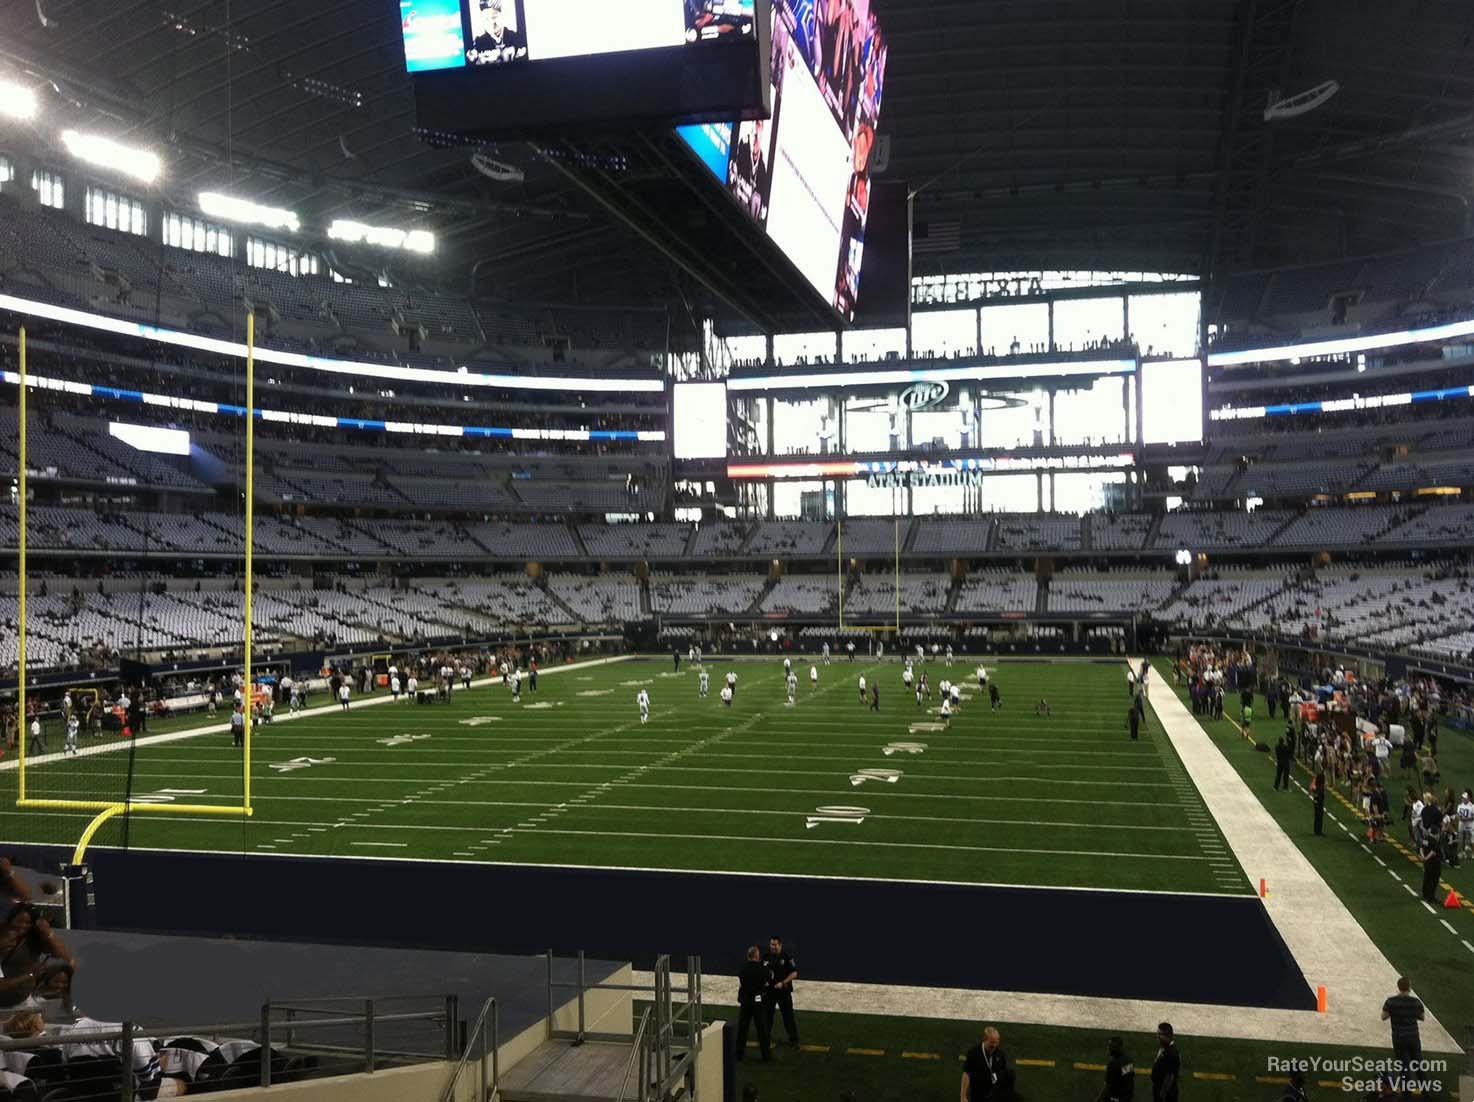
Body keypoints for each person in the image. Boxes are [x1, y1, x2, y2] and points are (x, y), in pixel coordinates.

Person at [1381, 977, 1424, 1078]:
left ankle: (1406, 1092)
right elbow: (1422, 1017)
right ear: (1409, 987)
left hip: (1399, 1037)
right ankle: (1426, 1092)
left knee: (1404, 1067)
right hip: (1413, 1036)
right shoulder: (1416, 1002)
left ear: (1399, 987)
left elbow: (1384, 1017)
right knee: (1419, 1065)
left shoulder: (1391, 1001)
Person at [734, 946, 771, 1062]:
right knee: (762, 1029)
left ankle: (739, 1054)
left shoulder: (742, 968)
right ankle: (766, 1055)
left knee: (742, 1029)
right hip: (758, 1002)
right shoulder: (763, 969)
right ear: (756, 956)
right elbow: (769, 979)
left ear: (748, 956)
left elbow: (741, 981)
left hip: (745, 1002)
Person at [763, 936, 799, 1047]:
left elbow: (794, 973)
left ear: (780, 945)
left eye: (775, 944)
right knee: (767, 1017)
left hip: (784, 992)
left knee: (788, 1016)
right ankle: (765, 1038)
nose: (773, 947)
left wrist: (783, 983)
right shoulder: (765, 957)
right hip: (769, 992)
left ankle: (794, 1040)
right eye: (771, 944)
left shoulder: (787, 957)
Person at [960, 1026, 1012, 1102]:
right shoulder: (973, 1053)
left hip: (994, 1095)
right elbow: (966, 1074)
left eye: (996, 1042)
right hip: (977, 1094)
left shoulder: (1000, 1054)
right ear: (984, 1039)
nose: (994, 1045)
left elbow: (1003, 1075)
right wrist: (963, 1096)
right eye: (991, 1042)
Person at [1099, 1036, 1135, 1102]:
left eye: (1110, 1046)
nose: (1108, 1048)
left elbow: (1107, 1086)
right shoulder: (1128, 1060)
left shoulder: (1113, 1064)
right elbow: (1129, 1078)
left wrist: (1098, 1099)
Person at [1150, 1022, 1179, 1102]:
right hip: (1159, 1088)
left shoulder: (1171, 1053)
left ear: (1167, 1036)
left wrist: (1162, 1094)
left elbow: (1170, 1077)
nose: (1157, 1036)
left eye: (1160, 1034)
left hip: (1166, 1094)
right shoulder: (1165, 1048)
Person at [1418, 823, 1442, 902]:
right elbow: (1433, 852)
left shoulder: (1426, 839)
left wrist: (1423, 857)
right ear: (1436, 833)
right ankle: (1430, 897)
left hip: (1427, 863)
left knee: (1427, 878)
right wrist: (1426, 858)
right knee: (1433, 880)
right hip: (1434, 863)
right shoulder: (1434, 841)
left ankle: (1425, 894)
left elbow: (1421, 848)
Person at [1457, 790, 1474, 860]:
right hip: (1462, 824)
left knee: (1472, 840)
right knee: (1462, 838)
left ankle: (1473, 853)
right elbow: (1458, 814)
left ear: (1468, 798)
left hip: (1470, 825)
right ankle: (1462, 852)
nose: (1463, 799)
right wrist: (1460, 818)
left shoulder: (1472, 806)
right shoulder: (1460, 805)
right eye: (1462, 798)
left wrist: (1466, 819)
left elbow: (1473, 817)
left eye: (1464, 798)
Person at [1312, 768, 1326, 835]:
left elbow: (1313, 792)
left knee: (1317, 817)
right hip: (1319, 803)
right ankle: (1318, 831)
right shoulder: (1321, 787)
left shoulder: (1317, 786)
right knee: (1319, 817)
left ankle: (1316, 830)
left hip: (1316, 802)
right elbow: (1319, 795)